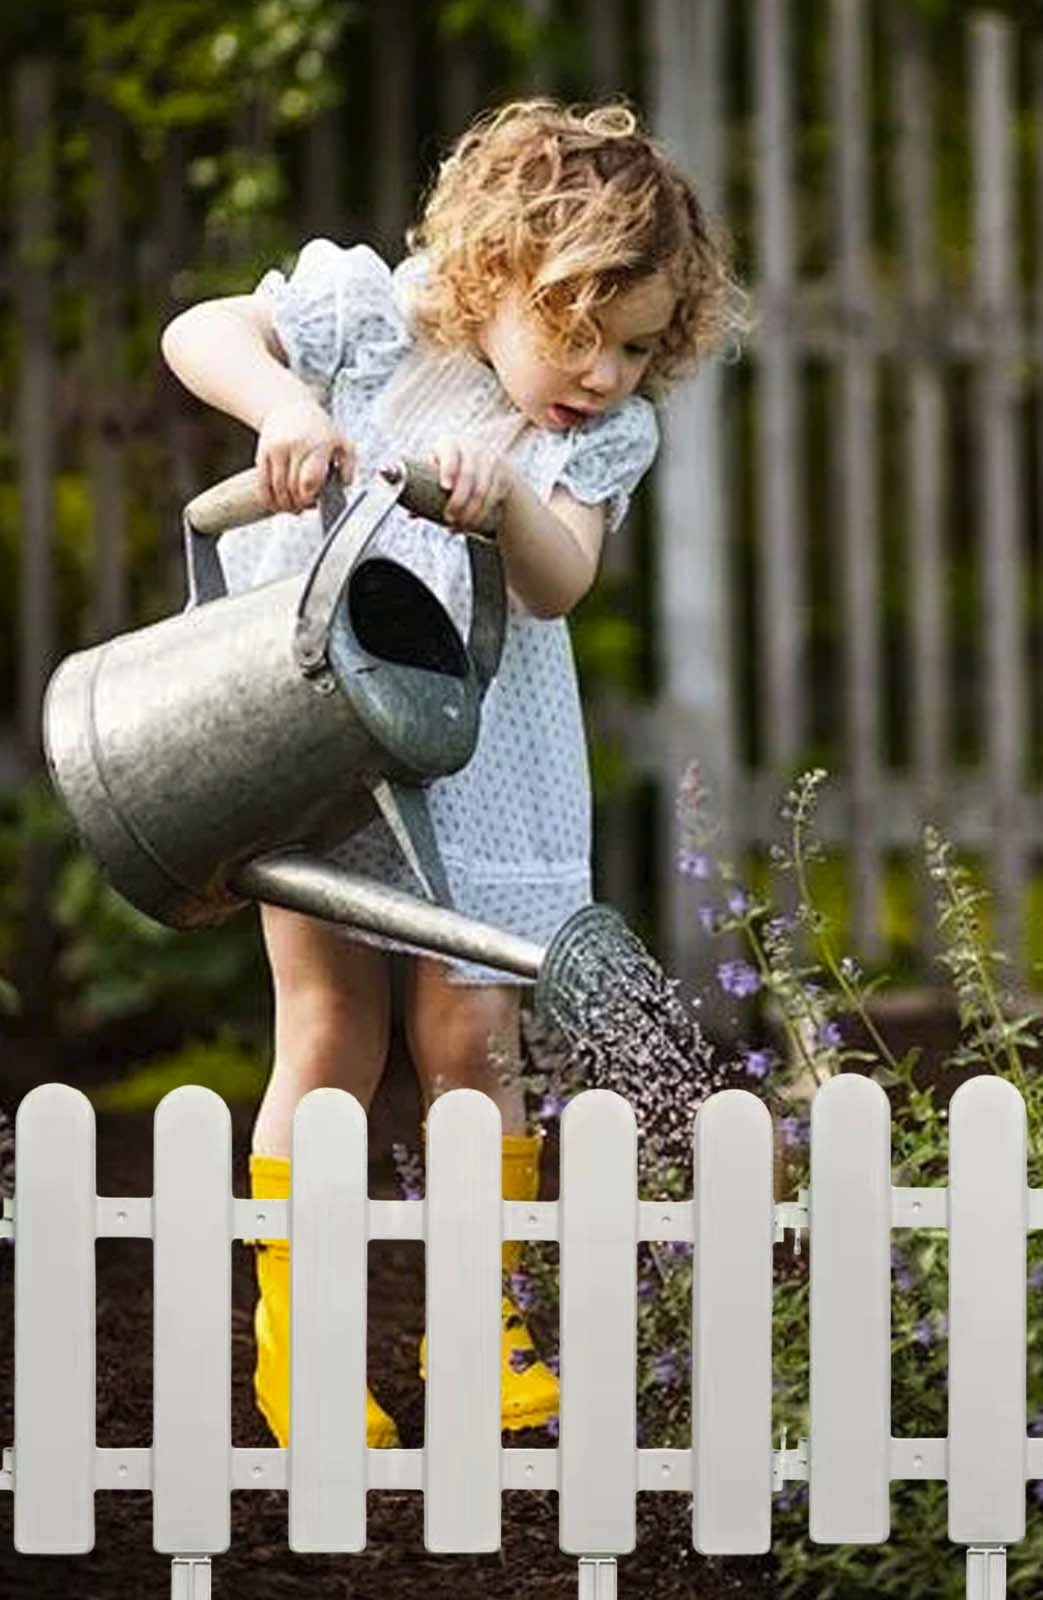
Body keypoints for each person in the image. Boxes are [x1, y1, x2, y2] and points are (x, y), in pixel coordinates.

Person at [160, 98, 748, 1447]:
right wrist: (285, 405)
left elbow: (561, 582)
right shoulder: (373, 321)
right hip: (307, 717)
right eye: (578, 330)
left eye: (639, 345)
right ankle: (301, 1351)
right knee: (325, 1025)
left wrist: (511, 503)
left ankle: (480, 1331)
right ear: (492, 274)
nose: (603, 370)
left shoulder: (588, 441)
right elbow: (201, 333)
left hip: (485, 752)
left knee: (471, 1035)